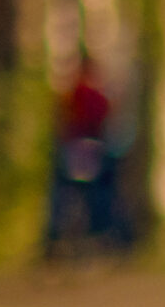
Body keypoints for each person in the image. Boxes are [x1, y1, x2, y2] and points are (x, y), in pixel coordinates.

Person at [41, 55, 135, 263]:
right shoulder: (87, 95)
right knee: (89, 197)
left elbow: (62, 125)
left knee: (80, 197)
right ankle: (86, 241)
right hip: (87, 154)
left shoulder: (74, 95)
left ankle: (63, 242)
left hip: (81, 154)